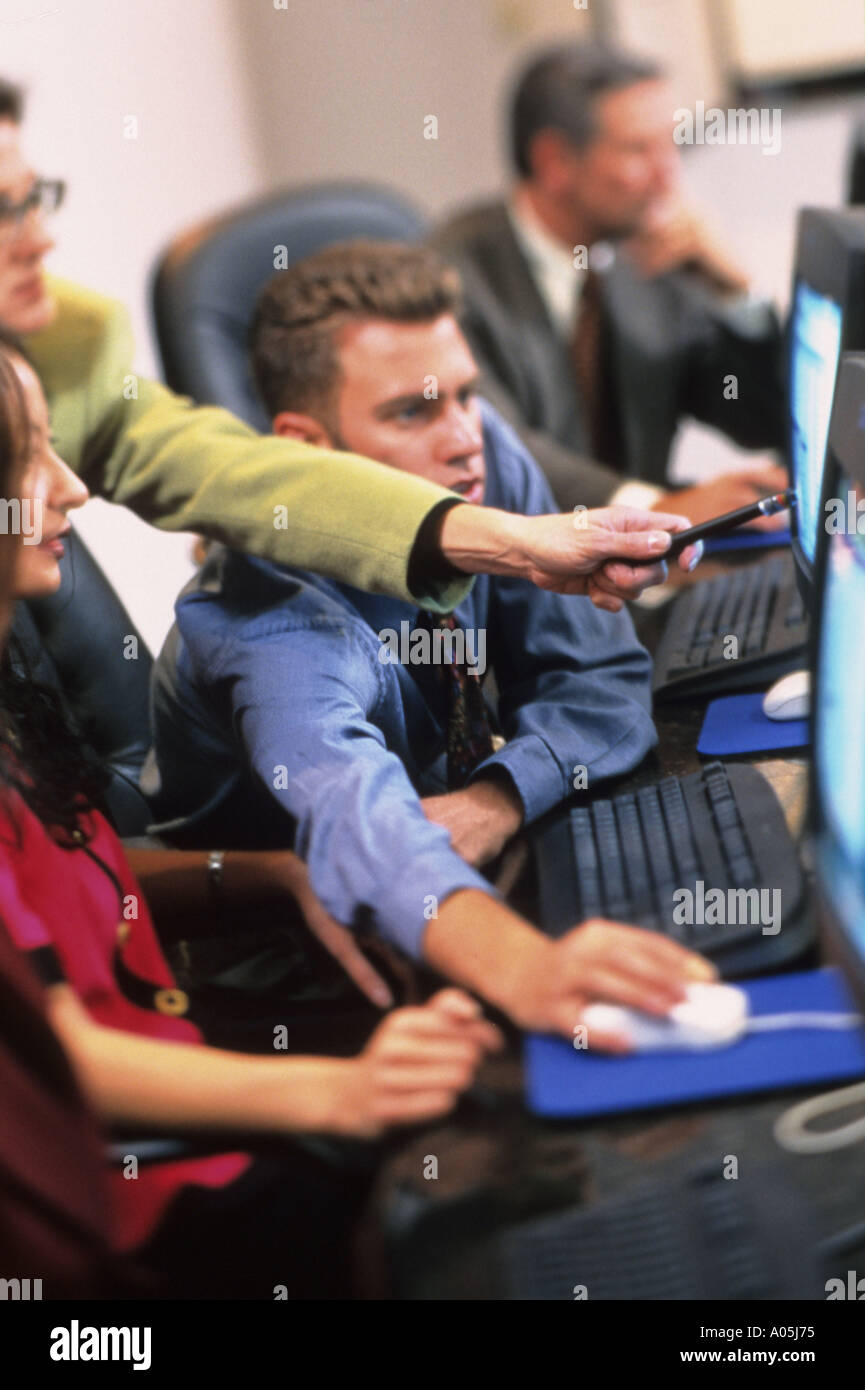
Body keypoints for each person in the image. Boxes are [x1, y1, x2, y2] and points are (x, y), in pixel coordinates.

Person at [0, 337, 504, 1298]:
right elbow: (46, 1058)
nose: (70, 486)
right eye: (27, 458)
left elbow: (70, 871)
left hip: (185, 1061)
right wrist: (341, 1093)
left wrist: (268, 875)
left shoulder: (11, 701)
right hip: (125, 1190)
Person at [146, 240, 716, 1044]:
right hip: (311, 985)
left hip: (466, 882)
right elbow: (359, 821)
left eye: (466, 394)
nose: (462, 437)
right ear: (305, 451)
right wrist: (525, 966)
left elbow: (595, 668)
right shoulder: (269, 621)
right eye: (411, 410)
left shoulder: (472, 468)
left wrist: (497, 797)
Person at [0, 76, 687, 621]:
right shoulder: (267, 637)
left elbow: (242, 475)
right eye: (3, 210)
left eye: (36, 201)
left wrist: (514, 543)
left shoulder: (63, 348)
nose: (40, 239)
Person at [433, 41, 789, 521]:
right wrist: (650, 508)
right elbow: (493, 448)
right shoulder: (451, 278)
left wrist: (738, 296)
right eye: (640, 149)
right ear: (554, 160)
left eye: (672, 144)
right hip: (528, 579)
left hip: (654, 570)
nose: (670, 174)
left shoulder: (649, 256)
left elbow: (759, 421)